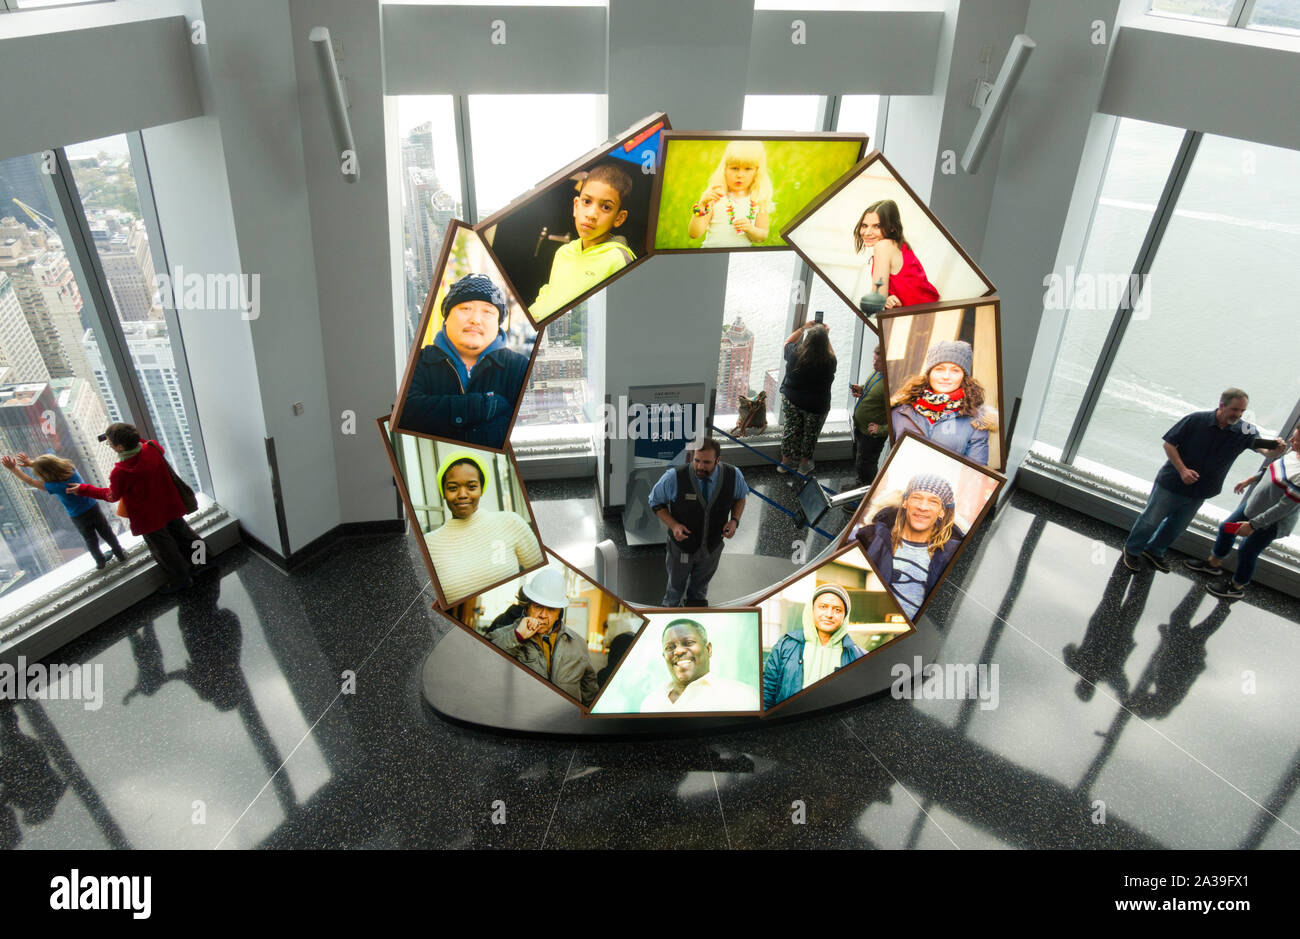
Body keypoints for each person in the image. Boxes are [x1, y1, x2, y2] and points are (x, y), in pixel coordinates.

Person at [1124, 389, 1285, 573]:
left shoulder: (1245, 431)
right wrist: (1183, 470)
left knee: (1176, 526)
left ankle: (1154, 551)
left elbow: (1265, 450)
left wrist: (1275, 450)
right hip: (1172, 483)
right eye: (1235, 410)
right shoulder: (1195, 420)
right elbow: (1169, 444)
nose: (1239, 415)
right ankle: (1132, 550)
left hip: (1201, 490)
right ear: (1221, 405)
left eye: (1242, 411)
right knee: (1150, 520)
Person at [69, 422, 205, 594]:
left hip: (149, 517)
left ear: (119, 447)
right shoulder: (152, 448)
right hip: (169, 504)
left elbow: (112, 496)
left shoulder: (121, 471)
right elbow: (145, 445)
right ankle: (202, 562)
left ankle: (182, 580)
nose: (109, 445)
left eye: (110, 443)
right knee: (185, 534)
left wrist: (83, 489)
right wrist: (126, 435)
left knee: (165, 550)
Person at [400, 274, 531, 447]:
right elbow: (406, 414)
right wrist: (485, 406)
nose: (475, 319)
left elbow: (522, 430)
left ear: (498, 323)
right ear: (446, 318)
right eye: (465, 309)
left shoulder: (520, 367)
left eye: (488, 312)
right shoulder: (416, 362)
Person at [1184, 425, 1300, 600]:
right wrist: (1253, 478)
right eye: (1293, 436)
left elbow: (1283, 508)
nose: (1291, 441)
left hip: (1271, 522)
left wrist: (1253, 525)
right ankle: (1213, 564)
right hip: (1254, 506)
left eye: (1296, 440)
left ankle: (1237, 586)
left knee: (1247, 550)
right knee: (1226, 528)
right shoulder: (1293, 453)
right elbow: (1275, 468)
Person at [422, 452, 544, 605]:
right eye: (453, 488)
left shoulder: (510, 523)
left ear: (481, 488)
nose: (462, 495)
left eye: (471, 487)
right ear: (443, 493)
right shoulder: (429, 543)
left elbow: (542, 574)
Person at [530, 163, 637, 322]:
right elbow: (549, 293)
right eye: (587, 201)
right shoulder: (563, 252)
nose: (592, 214)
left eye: (606, 207)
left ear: (619, 218)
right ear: (576, 206)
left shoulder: (618, 261)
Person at [648, 439, 749, 607]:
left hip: (712, 548)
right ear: (691, 457)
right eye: (697, 460)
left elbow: (740, 498)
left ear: (718, 460)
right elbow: (655, 502)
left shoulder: (733, 475)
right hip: (681, 548)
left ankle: (695, 613)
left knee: (699, 590)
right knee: (674, 590)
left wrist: (734, 521)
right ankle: (669, 611)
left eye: (707, 462)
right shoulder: (674, 477)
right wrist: (674, 525)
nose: (700, 466)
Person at [853, 473, 964, 621]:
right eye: (917, 498)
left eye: (933, 502)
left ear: (942, 512)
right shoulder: (870, 537)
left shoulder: (952, 555)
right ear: (905, 502)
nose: (923, 507)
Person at [485, 568, 598, 706]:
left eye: (551, 609)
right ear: (526, 607)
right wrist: (517, 637)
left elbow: (589, 693)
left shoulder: (578, 644)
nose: (543, 615)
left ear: (559, 612)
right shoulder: (502, 635)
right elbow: (484, 670)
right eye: (538, 606)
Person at [2, 453, 126, 570]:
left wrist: (13, 469)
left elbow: (31, 481)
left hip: (78, 516)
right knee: (107, 533)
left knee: (90, 540)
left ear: (45, 474)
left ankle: (100, 561)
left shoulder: (55, 486)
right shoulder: (72, 471)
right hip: (93, 508)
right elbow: (50, 465)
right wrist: (31, 463)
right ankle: (120, 554)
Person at [890, 339, 997, 466]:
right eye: (939, 369)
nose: (946, 376)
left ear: (964, 376)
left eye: (955, 370)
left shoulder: (977, 421)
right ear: (929, 373)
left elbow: (974, 475)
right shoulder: (901, 410)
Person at [762, 583, 864, 708]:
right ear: (812, 609)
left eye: (837, 609)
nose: (829, 614)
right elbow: (767, 692)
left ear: (845, 615)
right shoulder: (785, 645)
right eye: (823, 606)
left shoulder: (857, 656)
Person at [639, 618, 758, 711]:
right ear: (664, 656)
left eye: (688, 643)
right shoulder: (650, 702)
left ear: (708, 649)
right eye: (670, 647)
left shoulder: (741, 696)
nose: (679, 651)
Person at [852, 199, 939, 311]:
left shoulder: (883, 246)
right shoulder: (900, 245)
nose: (867, 232)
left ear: (892, 227)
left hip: (923, 318)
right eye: (864, 225)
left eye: (877, 226)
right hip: (927, 313)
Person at [688, 140, 772, 248]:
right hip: (711, 255)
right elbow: (694, 234)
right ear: (725, 169)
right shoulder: (715, 196)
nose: (740, 175)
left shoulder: (758, 199)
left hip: (739, 258)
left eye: (748, 169)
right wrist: (702, 205)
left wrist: (751, 229)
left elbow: (762, 236)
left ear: (757, 172)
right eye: (734, 168)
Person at [778, 321, 836, 475]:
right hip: (816, 405)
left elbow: (787, 342)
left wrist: (804, 328)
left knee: (791, 429)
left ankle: (785, 463)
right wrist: (825, 336)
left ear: (807, 340)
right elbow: (832, 354)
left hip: (793, 400)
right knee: (810, 434)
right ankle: (804, 465)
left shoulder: (795, 353)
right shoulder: (829, 361)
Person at [849, 343, 889, 485]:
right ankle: (859, 484)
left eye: (878, 361)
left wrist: (882, 429)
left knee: (867, 466)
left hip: (872, 436)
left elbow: (899, 416)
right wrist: (861, 390)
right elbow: (871, 390)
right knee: (860, 460)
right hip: (861, 428)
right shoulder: (877, 372)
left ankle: (865, 496)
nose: (874, 363)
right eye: (874, 359)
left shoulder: (892, 384)